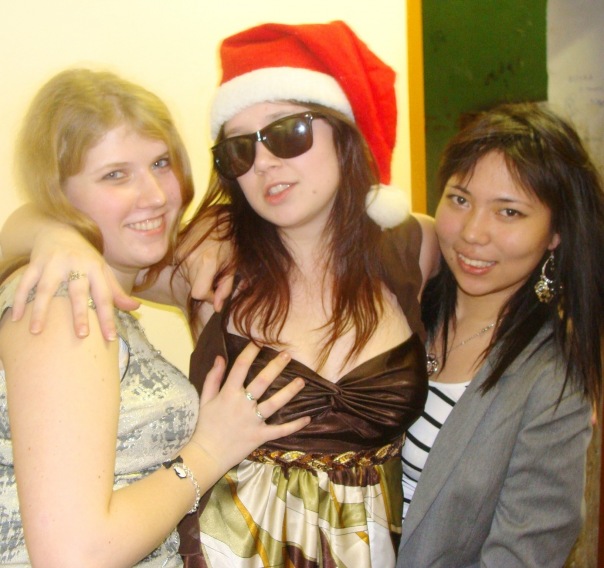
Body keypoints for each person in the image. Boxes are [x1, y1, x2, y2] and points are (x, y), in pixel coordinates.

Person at [0, 22, 439, 567]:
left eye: (288, 133)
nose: (265, 162)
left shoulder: (412, 249)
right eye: (239, 150)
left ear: (342, 131)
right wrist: (52, 233)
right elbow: (70, 247)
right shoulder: (208, 265)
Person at [0, 68, 310, 568]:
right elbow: (74, 556)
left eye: (161, 163)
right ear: (58, 193)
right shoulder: (66, 301)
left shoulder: (105, 278)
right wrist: (210, 450)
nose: (156, 196)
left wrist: (48, 231)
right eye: (115, 175)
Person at [398, 103, 603, 567]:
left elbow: (522, 555)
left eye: (509, 212)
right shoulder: (409, 301)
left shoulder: (553, 380)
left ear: (555, 232)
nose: (473, 233)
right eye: (460, 199)